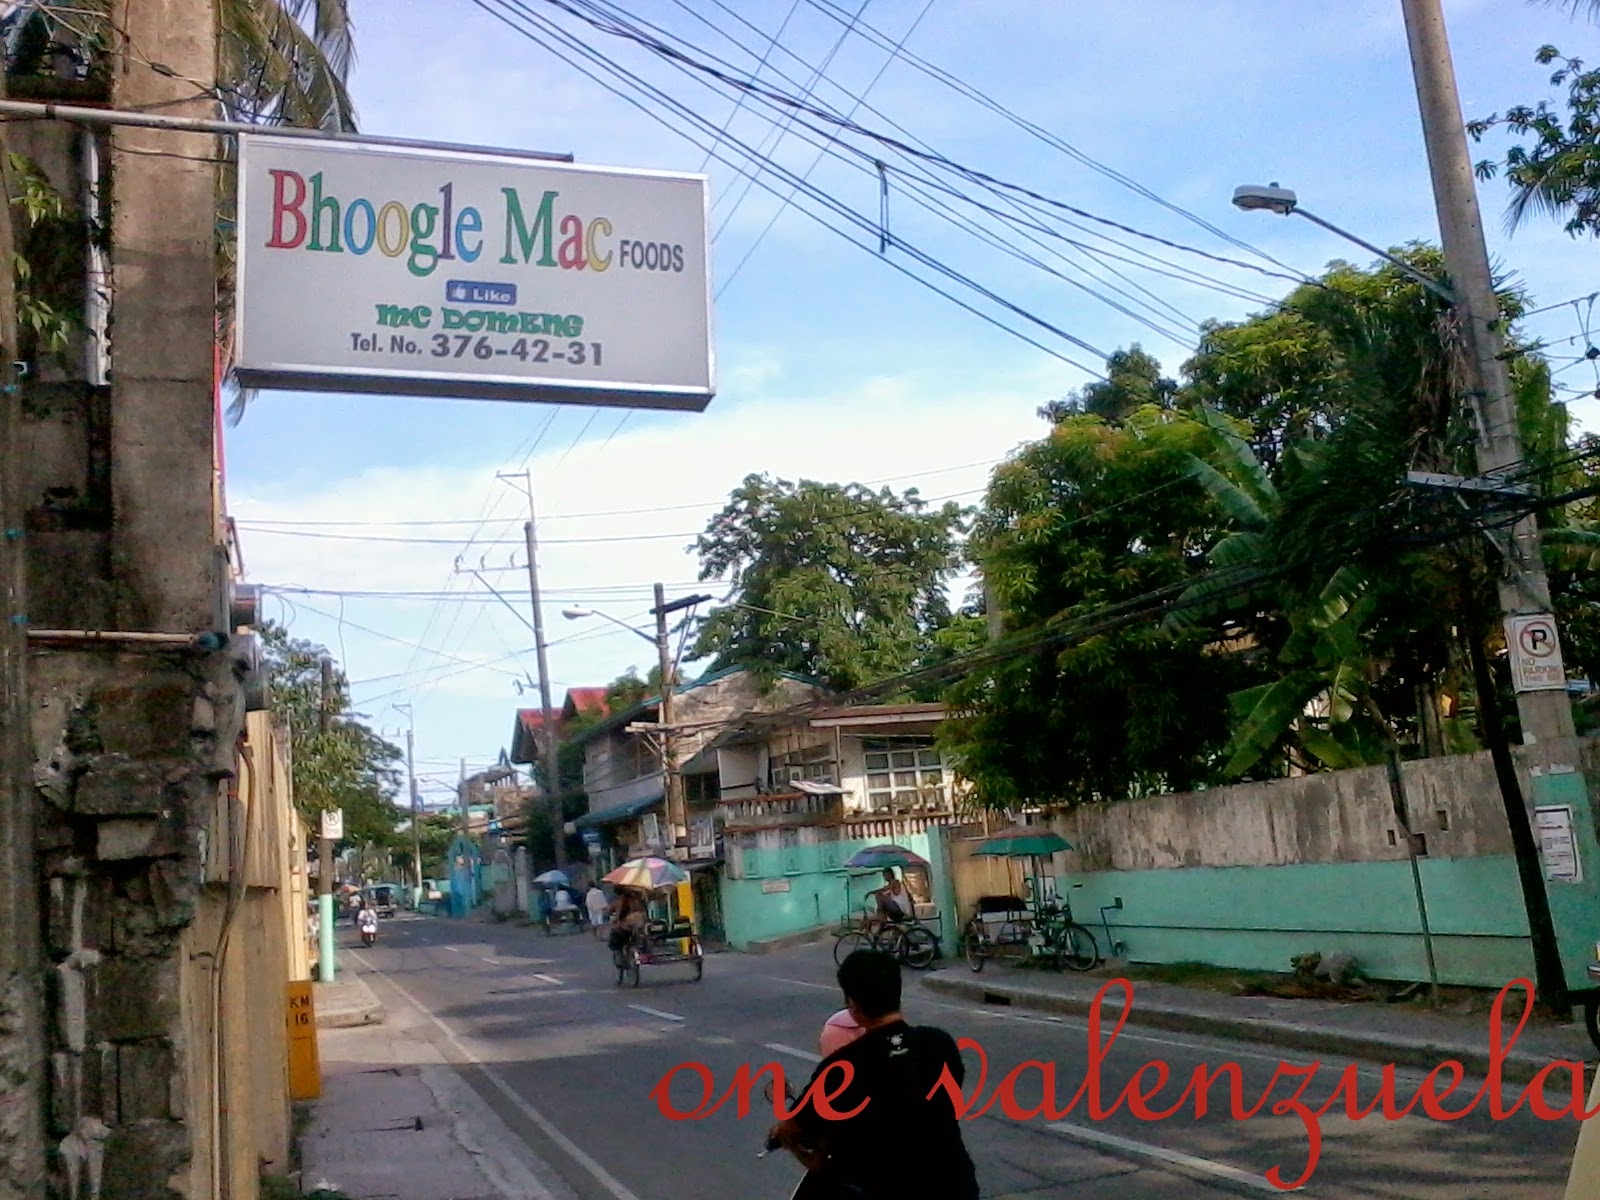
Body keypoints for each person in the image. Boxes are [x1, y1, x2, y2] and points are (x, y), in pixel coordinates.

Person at [769, 949, 978, 1200]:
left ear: (852, 1004)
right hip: (955, 1186)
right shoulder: (940, 1044)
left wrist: (785, 1138)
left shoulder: (841, 1067)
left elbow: (794, 1128)